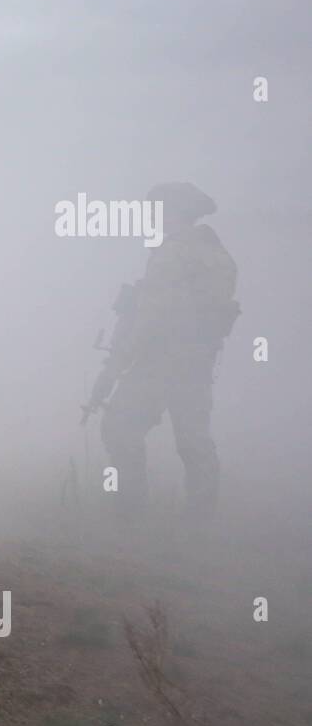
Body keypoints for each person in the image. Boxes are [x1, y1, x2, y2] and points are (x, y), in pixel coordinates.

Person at [92, 183, 240, 520]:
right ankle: (199, 523)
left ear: (171, 211)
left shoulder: (171, 252)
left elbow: (151, 316)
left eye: (156, 210)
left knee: (119, 427)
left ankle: (131, 515)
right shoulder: (219, 255)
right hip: (199, 362)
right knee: (194, 442)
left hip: (158, 361)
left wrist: (115, 365)